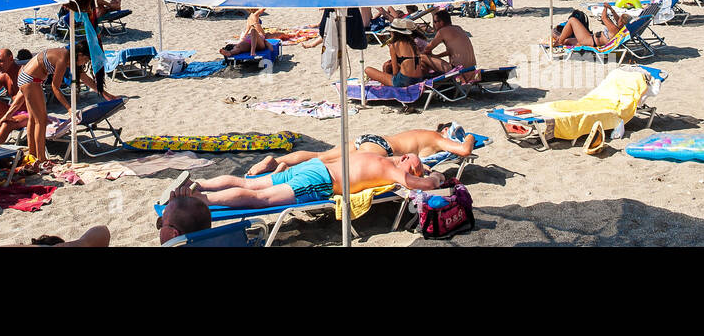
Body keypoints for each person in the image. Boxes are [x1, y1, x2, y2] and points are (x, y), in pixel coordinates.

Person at [166, 152, 444, 211]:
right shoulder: (390, 168)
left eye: (414, 162)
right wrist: (434, 176)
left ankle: (201, 183)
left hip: (315, 166)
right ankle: (203, 199)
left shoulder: (377, 153)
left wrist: (422, 172)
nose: (411, 158)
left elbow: (412, 179)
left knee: (248, 183)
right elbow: (420, 185)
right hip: (320, 178)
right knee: (260, 198)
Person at [247, 125, 476, 175]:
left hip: (372, 137)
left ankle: (275, 160)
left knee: (321, 155)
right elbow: (464, 150)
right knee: (331, 166)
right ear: (445, 129)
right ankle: (286, 168)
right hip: (382, 149)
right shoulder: (437, 137)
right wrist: (470, 137)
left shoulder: (420, 132)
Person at [363, 17, 425, 87]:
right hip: (418, 79)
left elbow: (395, 71)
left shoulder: (394, 46)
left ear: (394, 33)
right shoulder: (413, 44)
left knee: (368, 70)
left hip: (404, 81)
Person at [418, 10, 476, 78]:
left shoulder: (442, 31)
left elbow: (427, 48)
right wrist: (437, 56)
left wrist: (429, 56)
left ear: (441, 22)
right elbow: (451, 51)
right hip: (472, 69)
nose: (434, 24)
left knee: (422, 56)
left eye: (435, 22)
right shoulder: (458, 28)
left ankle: (423, 80)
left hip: (458, 71)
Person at [550, 7, 623, 49]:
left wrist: (605, 7)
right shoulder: (619, 30)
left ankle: (559, 41)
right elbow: (617, 19)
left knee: (572, 20)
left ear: (622, 23)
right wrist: (611, 9)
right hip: (591, 39)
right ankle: (560, 40)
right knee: (566, 41)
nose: (618, 18)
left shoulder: (614, 29)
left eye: (620, 19)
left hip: (589, 40)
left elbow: (604, 18)